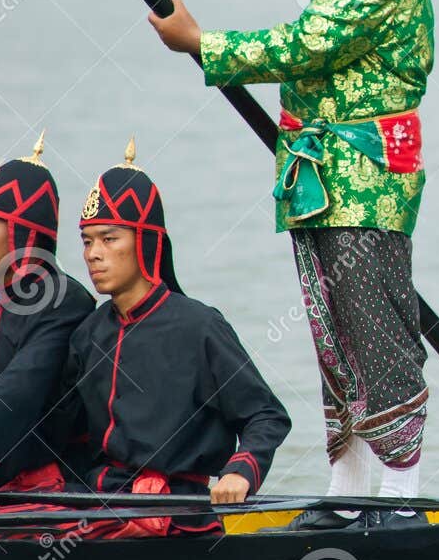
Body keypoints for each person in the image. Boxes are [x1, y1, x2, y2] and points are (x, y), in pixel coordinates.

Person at [147, 0, 436, 532]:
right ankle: (349, 488)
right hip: (317, 180)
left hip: (367, 179)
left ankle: (401, 498)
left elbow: (309, 45)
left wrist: (204, 44)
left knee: (377, 334)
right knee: (334, 338)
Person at [70, 145, 290, 538]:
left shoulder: (198, 325)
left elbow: (265, 415)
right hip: (97, 506)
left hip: (180, 517)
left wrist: (240, 471)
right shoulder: (89, 334)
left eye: (108, 238)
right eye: (87, 242)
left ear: (144, 241)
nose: (94, 254)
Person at [0, 135, 95, 516]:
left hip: (65, 485)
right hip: (11, 476)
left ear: (21, 233)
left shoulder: (65, 300)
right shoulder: (8, 302)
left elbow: (16, 398)